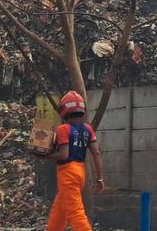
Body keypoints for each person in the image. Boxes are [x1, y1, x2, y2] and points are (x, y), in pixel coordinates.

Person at [42, 90, 105, 231]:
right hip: (80, 171)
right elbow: (97, 152)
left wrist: (45, 156)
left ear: (64, 110)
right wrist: (100, 178)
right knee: (59, 211)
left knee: (74, 212)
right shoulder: (88, 129)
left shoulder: (63, 129)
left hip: (67, 173)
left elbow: (64, 155)